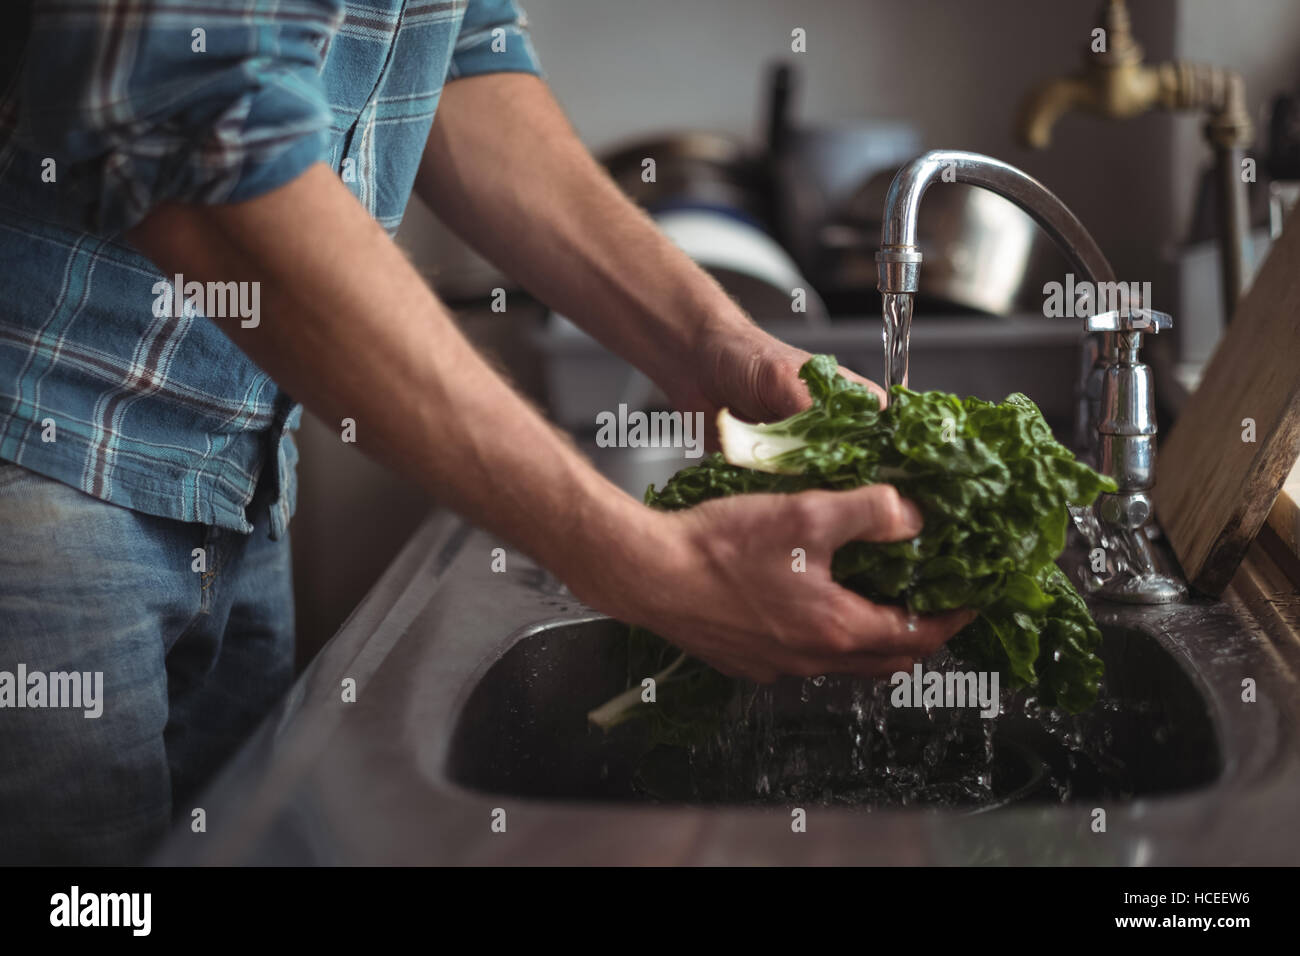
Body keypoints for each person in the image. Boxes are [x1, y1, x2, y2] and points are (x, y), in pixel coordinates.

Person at [0, 0, 973, 864]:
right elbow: (188, 118)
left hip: (235, 474)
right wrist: (639, 560)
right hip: (36, 463)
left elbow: (457, 52)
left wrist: (723, 353)